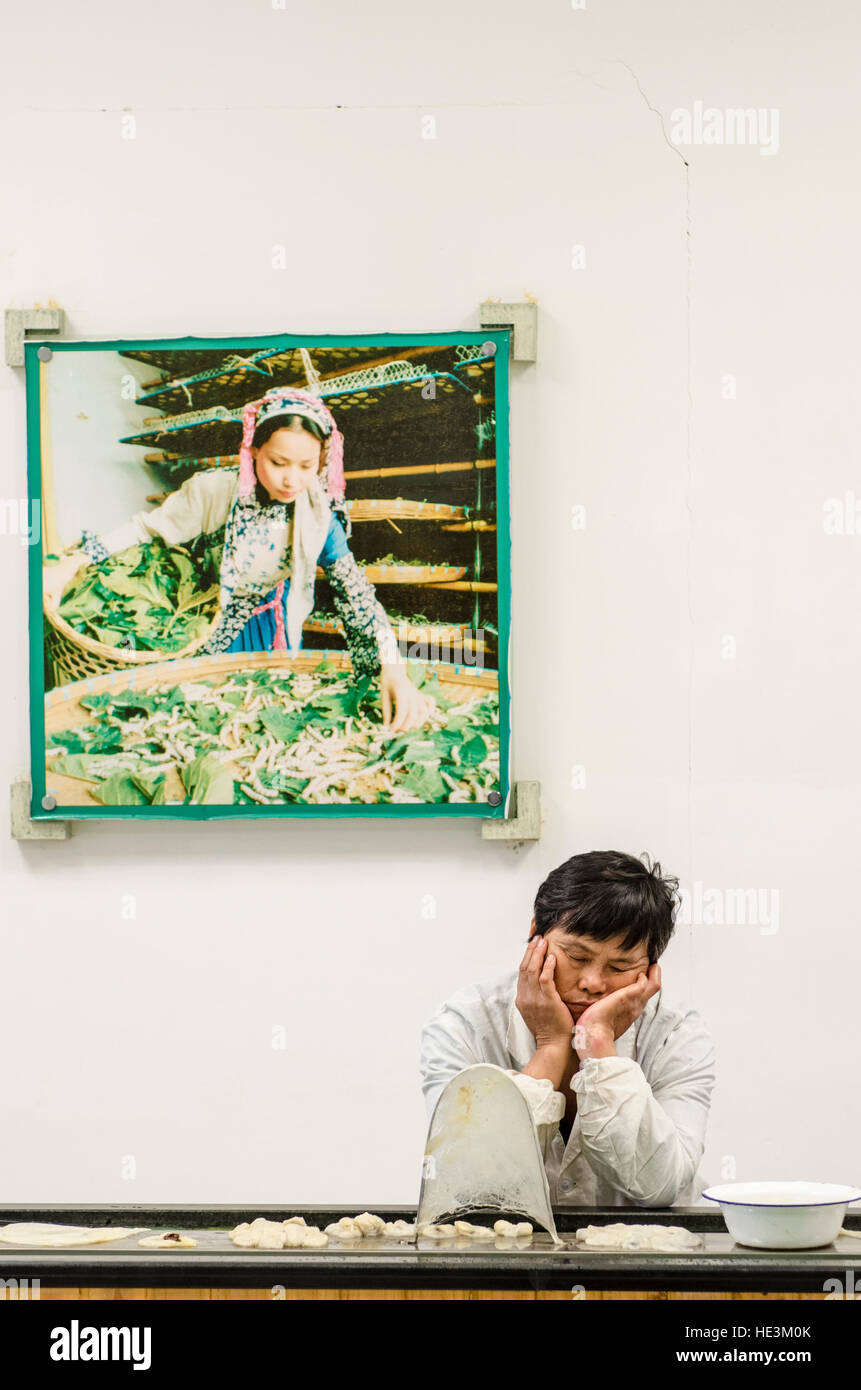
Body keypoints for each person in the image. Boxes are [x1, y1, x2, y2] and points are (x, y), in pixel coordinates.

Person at [45, 386, 435, 733]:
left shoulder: (317, 516)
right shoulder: (213, 492)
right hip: (197, 617)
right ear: (252, 452)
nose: (292, 481)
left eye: (307, 467)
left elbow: (357, 593)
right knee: (191, 715)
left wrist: (393, 666)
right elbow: (146, 529)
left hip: (268, 618)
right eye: (278, 463)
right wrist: (74, 561)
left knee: (256, 714)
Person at [419, 850, 716, 1207]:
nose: (593, 982)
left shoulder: (675, 1036)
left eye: (620, 966)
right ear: (535, 935)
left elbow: (663, 1185)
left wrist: (599, 1043)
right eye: (577, 957)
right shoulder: (463, 1027)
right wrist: (551, 1046)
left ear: (650, 971)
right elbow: (473, 1185)